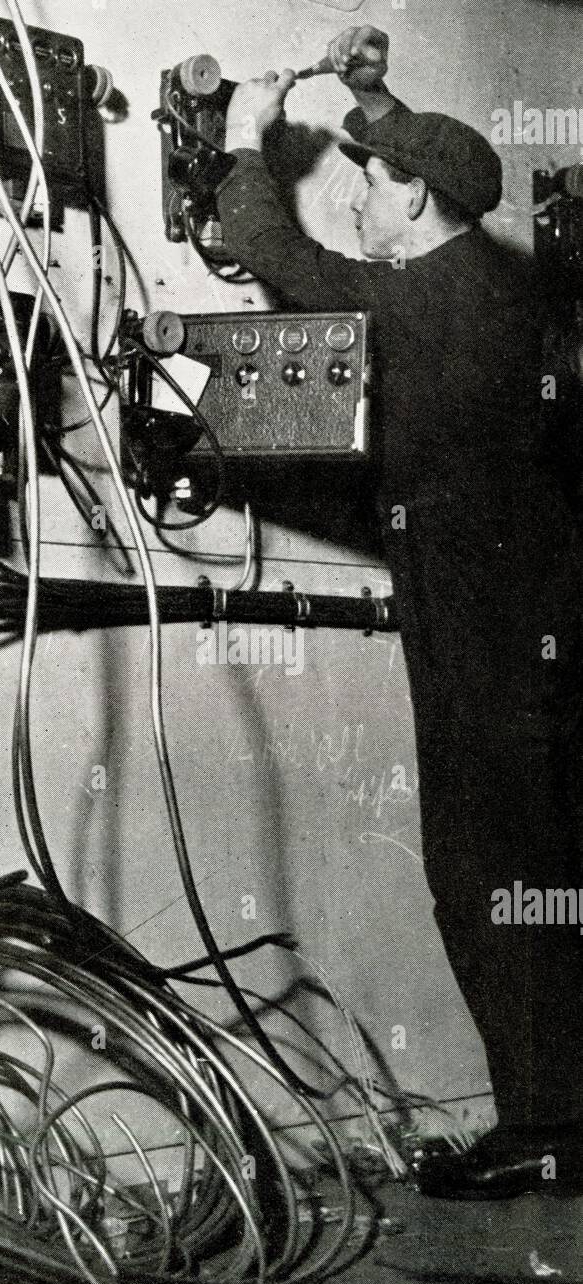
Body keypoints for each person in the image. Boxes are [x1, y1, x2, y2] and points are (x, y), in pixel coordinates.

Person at [216, 26, 583, 1198]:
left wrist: (242, 135)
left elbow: (272, 246)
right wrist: (371, 94)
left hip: (476, 621)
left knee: (480, 871)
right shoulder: (487, 286)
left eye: (370, 183)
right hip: (526, 610)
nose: (359, 202)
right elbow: (436, 166)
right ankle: (559, 1110)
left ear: (412, 201)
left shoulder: (424, 305)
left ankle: (545, 1123)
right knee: (531, 865)